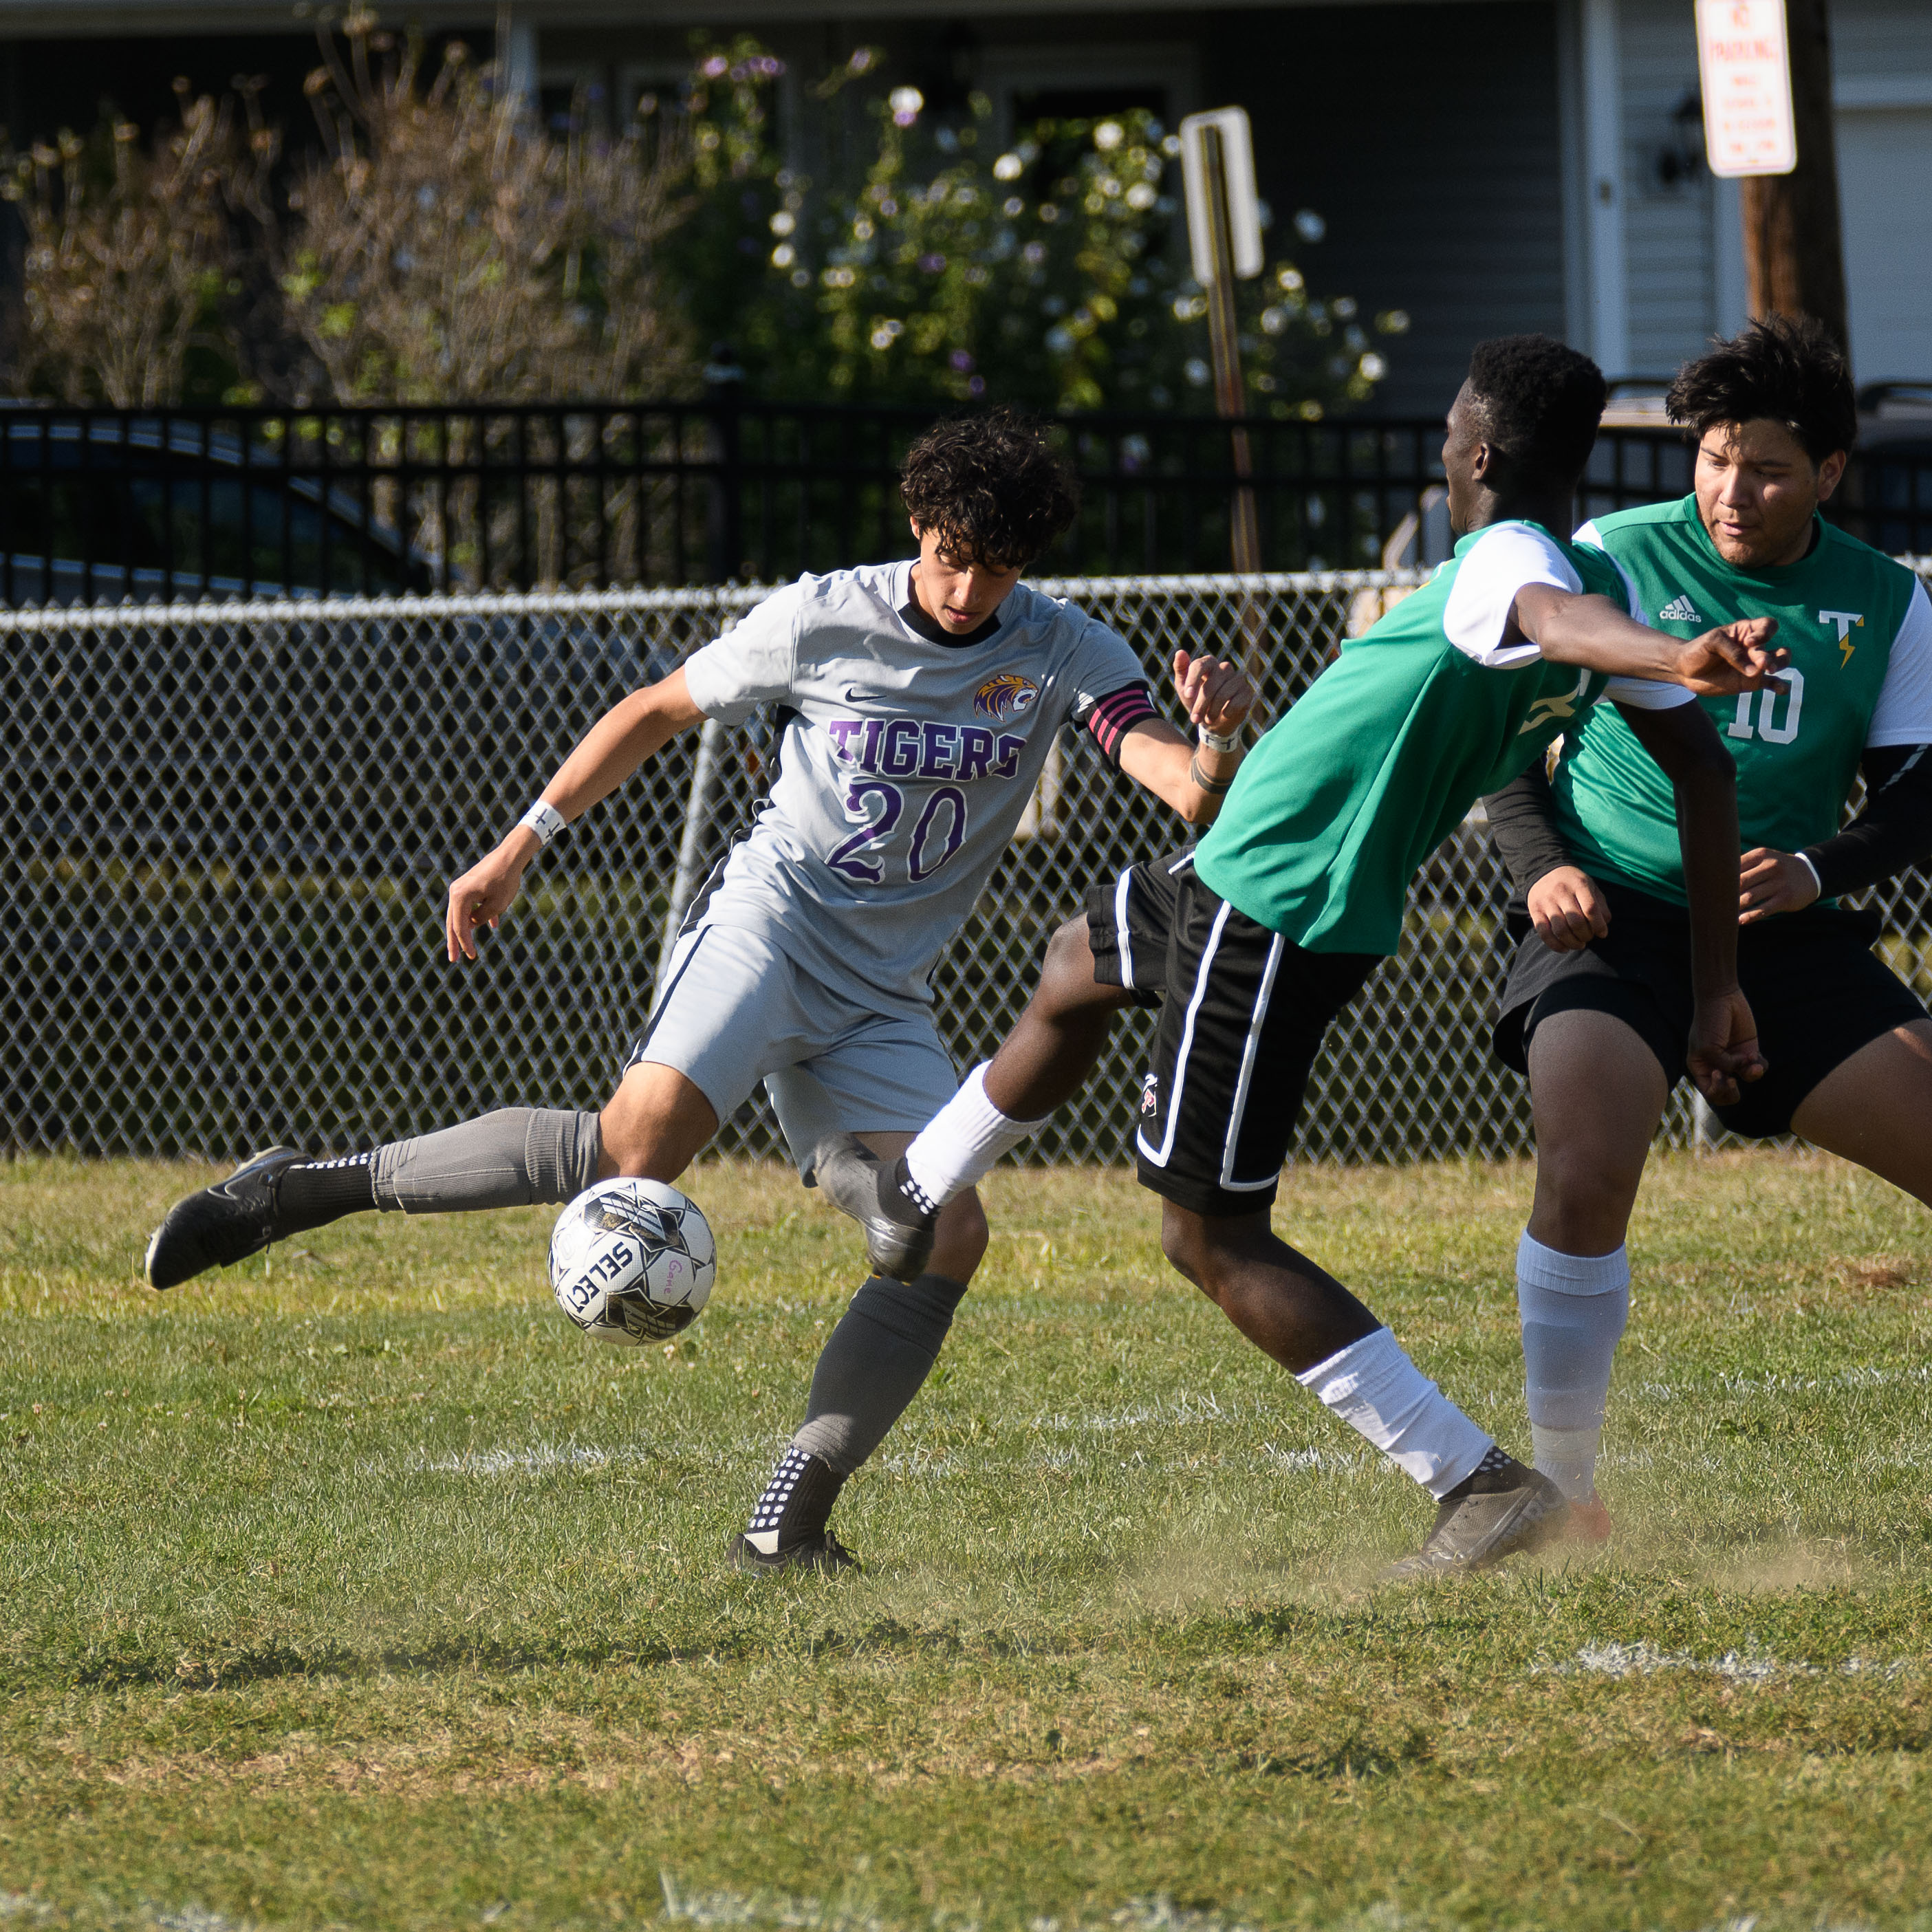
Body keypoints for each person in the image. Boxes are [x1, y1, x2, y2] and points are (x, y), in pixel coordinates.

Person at [142, 408, 1257, 1574]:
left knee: (947, 1231)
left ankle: (786, 1520)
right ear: (916, 523)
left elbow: (1181, 789)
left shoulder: (1062, 644)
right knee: (636, 1151)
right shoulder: (827, 613)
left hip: (884, 991)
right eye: (949, 553)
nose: (970, 587)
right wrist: (520, 843)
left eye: (997, 564)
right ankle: (303, 1189)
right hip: (767, 927)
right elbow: (654, 711)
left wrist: (1219, 739)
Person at [816, 336, 1789, 1575]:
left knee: (1208, 1236)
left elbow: (1556, 619)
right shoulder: (1584, 564)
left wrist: (1664, 658)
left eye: (1447, 427)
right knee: (1077, 961)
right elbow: (1702, 769)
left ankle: (1477, 1484)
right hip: (1231, 875)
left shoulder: (1509, 562)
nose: (1439, 446)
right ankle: (915, 1194)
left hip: (1274, 906)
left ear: (1480, 451)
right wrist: (1714, 985)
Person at [1480, 316, 1932, 1535]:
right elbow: (1500, 737)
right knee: (1583, 1162)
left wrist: (1817, 869)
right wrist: (1540, 870)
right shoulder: (1609, 555)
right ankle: (1564, 1495)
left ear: (1829, 475)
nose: (1733, 491)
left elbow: (1916, 796)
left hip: (1779, 931)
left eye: (1769, 468)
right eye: (1716, 458)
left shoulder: (1884, 601)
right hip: (1606, 923)